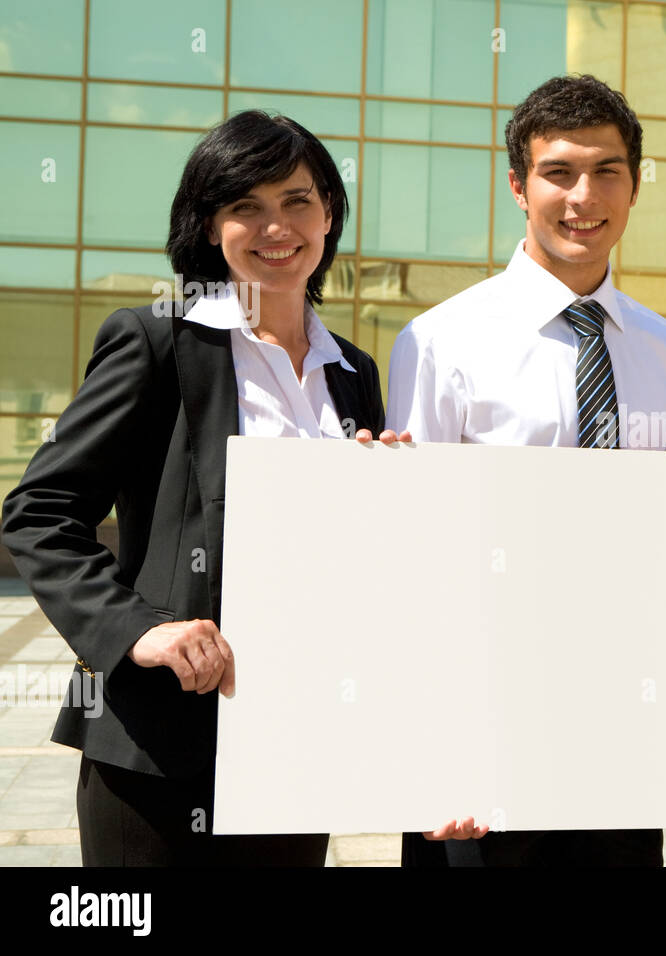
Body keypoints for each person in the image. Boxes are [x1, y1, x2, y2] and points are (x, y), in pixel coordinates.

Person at [1, 110, 402, 866]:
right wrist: (137, 629)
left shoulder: (354, 373)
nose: (275, 226)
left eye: (297, 201)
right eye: (244, 205)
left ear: (328, 216)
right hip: (161, 751)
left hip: (294, 740)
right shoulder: (158, 341)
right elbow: (39, 512)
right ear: (208, 225)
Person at [386, 74, 666, 867]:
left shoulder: (665, 349)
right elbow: (413, 551)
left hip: (624, 735)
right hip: (485, 731)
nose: (582, 196)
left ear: (634, 187)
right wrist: (433, 749)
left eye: (607, 172)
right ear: (520, 187)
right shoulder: (440, 341)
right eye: (558, 173)